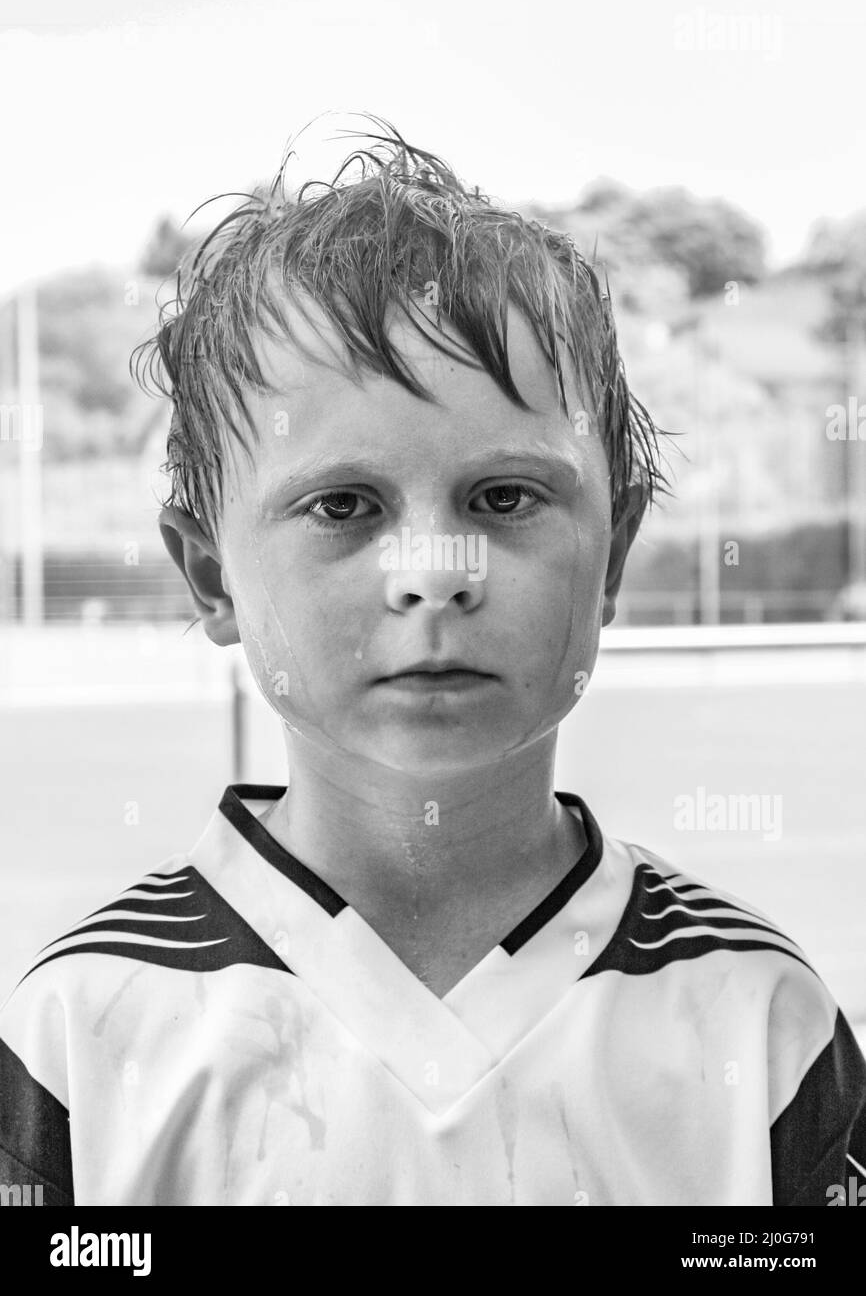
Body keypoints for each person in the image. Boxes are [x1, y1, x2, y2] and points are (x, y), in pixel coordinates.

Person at [1, 120, 864, 1206]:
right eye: (343, 506)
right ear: (211, 576)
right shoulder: (80, 1030)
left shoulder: (758, 1020)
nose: (436, 574)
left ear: (614, 553)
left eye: (503, 498)